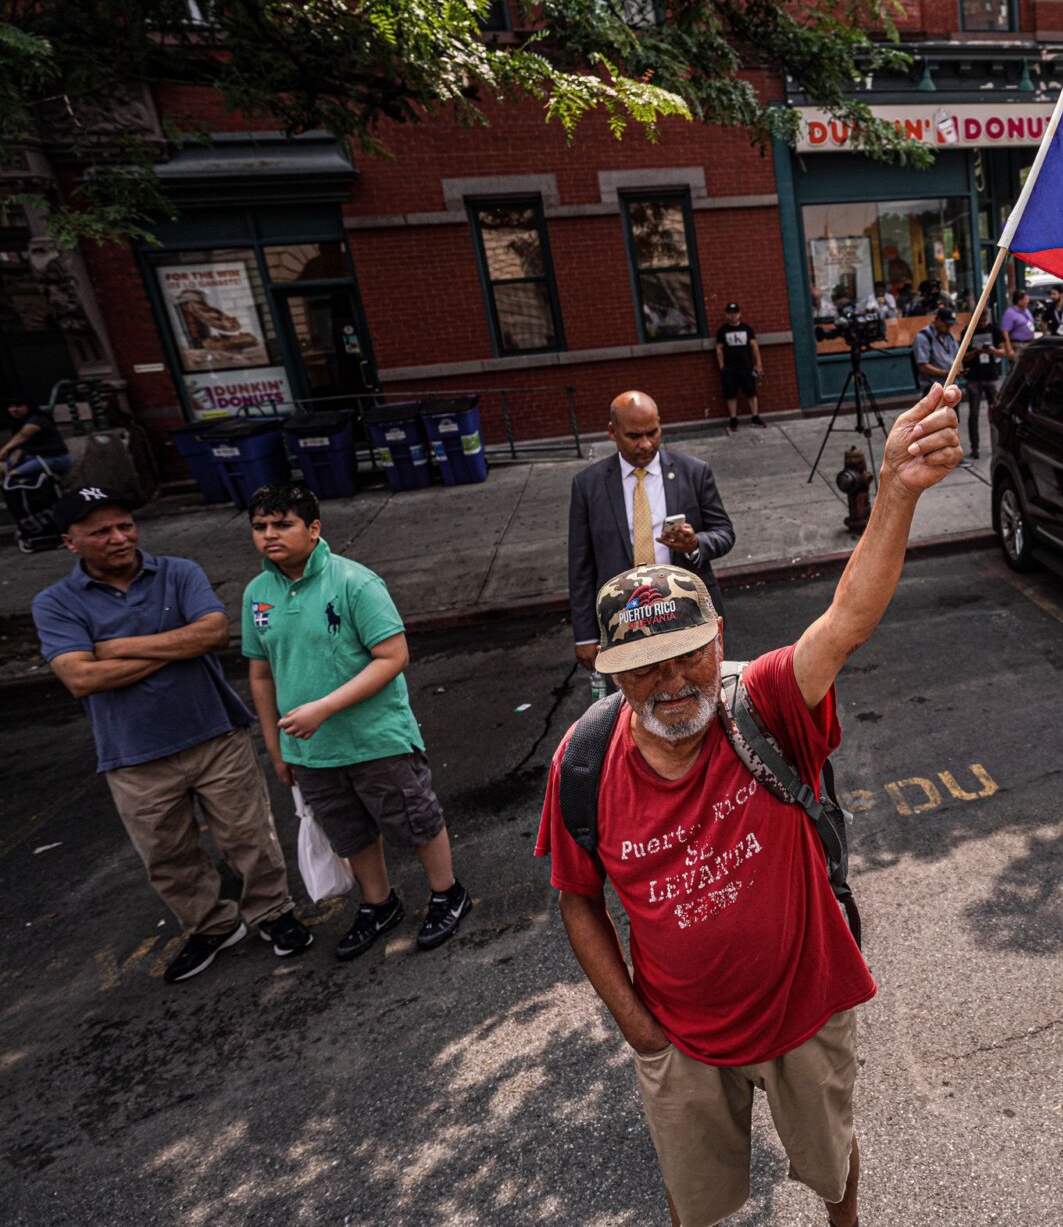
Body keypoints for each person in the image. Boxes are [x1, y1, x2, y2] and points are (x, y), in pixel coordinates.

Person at [536, 380, 966, 1227]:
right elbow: (577, 899)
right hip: (680, 1040)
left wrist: (895, 490)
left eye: (689, 654)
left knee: (833, 1160)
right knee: (693, 1200)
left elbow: (845, 621)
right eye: (646, 667)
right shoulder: (583, 763)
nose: (673, 682)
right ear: (613, 674)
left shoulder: (764, 703)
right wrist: (639, 1029)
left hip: (805, 1010)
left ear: (719, 639)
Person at [31, 486, 310, 983]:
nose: (119, 537)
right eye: (101, 531)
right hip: (132, 755)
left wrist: (113, 647)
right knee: (167, 854)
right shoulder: (55, 603)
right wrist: (173, 647)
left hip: (214, 733)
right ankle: (211, 926)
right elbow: (80, 678)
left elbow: (212, 634)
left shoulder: (179, 573)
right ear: (70, 542)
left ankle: (273, 912)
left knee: (248, 836)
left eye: (125, 526)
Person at [240, 483, 471, 959]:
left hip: (375, 738)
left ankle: (448, 893)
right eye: (260, 526)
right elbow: (261, 674)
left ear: (314, 529)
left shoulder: (354, 583)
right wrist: (276, 747)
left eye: (282, 524)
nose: (269, 535)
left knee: (415, 819)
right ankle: (379, 904)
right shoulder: (256, 594)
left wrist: (324, 708)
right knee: (349, 832)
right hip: (310, 750)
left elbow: (393, 656)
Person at [568, 391, 736, 675]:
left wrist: (695, 544)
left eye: (652, 433)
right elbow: (580, 567)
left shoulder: (694, 472)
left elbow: (724, 533)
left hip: (686, 615)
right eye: (634, 436)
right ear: (613, 432)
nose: (646, 444)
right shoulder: (588, 486)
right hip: (624, 621)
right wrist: (584, 635)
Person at [963, 305, 1010, 459]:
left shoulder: (994, 331)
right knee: (974, 414)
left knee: (994, 413)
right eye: (980, 320)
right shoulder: (967, 332)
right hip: (974, 377)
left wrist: (992, 350)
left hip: (990, 375)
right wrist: (976, 352)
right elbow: (963, 356)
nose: (982, 322)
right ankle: (974, 447)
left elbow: (1003, 352)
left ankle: (996, 446)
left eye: (984, 320)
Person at [714, 303, 765, 431]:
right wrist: (722, 367)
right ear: (726, 315)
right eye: (730, 313)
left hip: (746, 367)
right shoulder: (722, 330)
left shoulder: (747, 329)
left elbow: (754, 347)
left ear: (739, 314)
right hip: (730, 368)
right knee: (731, 394)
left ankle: (755, 417)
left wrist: (758, 364)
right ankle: (733, 420)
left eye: (735, 313)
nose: (733, 316)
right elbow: (719, 349)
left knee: (751, 392)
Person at [2, 399, 73, 480]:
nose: (14, 410)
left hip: (54, 459)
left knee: (13, 475)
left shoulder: (37, 420)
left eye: (19, 406)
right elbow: (21, 446)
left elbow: (23, 435)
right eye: (11, 407)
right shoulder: (19, 422)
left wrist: (5, 449)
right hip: (34, 457)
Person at [911, 305, 961, 394]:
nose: (949, 327)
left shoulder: (950, 337)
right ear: (938, 320)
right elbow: (923, 367)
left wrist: (959, 369)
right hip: (933, 388)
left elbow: (958, 356)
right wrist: (947, 373)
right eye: (947, 324)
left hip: (951, 386)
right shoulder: (923, 337)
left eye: (951, 325)